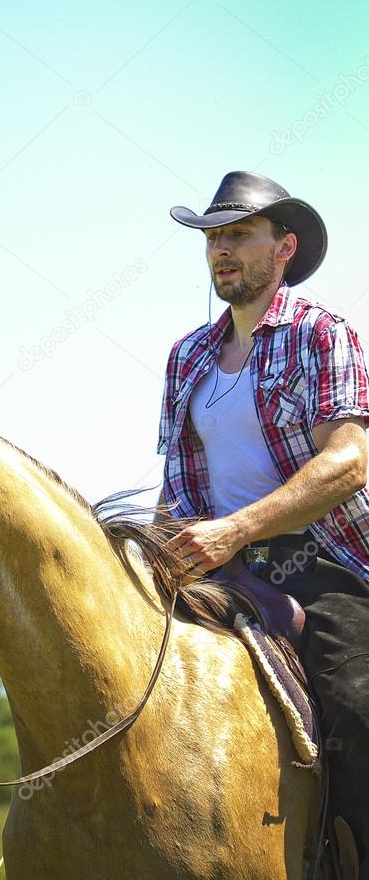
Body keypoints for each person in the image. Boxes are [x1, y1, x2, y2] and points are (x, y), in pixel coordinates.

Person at [155, 169, 369, 874]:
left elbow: (349, 463)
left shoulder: (323, 335)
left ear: (284, 247)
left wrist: (236, 529)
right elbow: (176, 490)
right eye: (213, 236)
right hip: (218, 568)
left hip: (325, 566)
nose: (221, 249)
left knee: (355, 704)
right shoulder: (186, 357)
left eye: (239, 234)